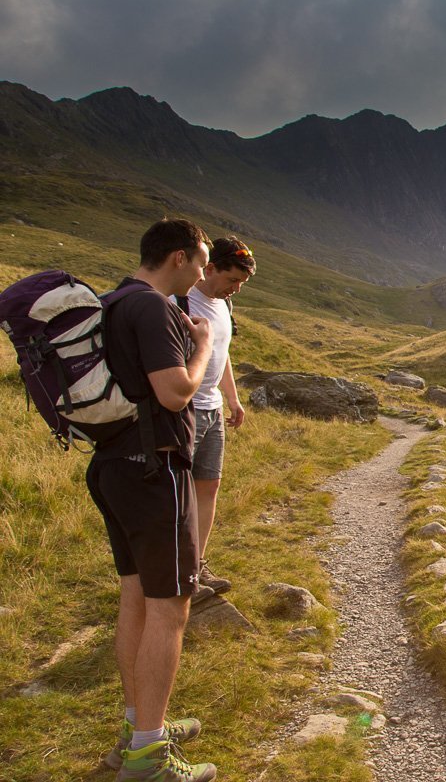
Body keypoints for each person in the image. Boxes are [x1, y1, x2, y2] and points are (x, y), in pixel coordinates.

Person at [87, 218, 218, 781]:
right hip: (154, 469)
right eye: (200, 262)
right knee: (170, 607)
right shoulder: (154, 307)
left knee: (136, 596)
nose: (202, 275)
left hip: (113, 465)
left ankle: (139, 725)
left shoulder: (114, 301)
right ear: (178, 257)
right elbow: (175, 391)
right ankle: (148, 756)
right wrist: (202, 346)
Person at [186, 237, 256, 597]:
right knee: (178, 493)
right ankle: (177, 572)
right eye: (232, 280)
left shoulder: (224, 305)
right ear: (210, 268)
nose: (236, 289)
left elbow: (221, 353)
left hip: (212, 408)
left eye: (241, 283)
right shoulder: (182, 300)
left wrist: (232, 398)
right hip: (184, 409)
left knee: (208, 486)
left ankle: (196, 566)